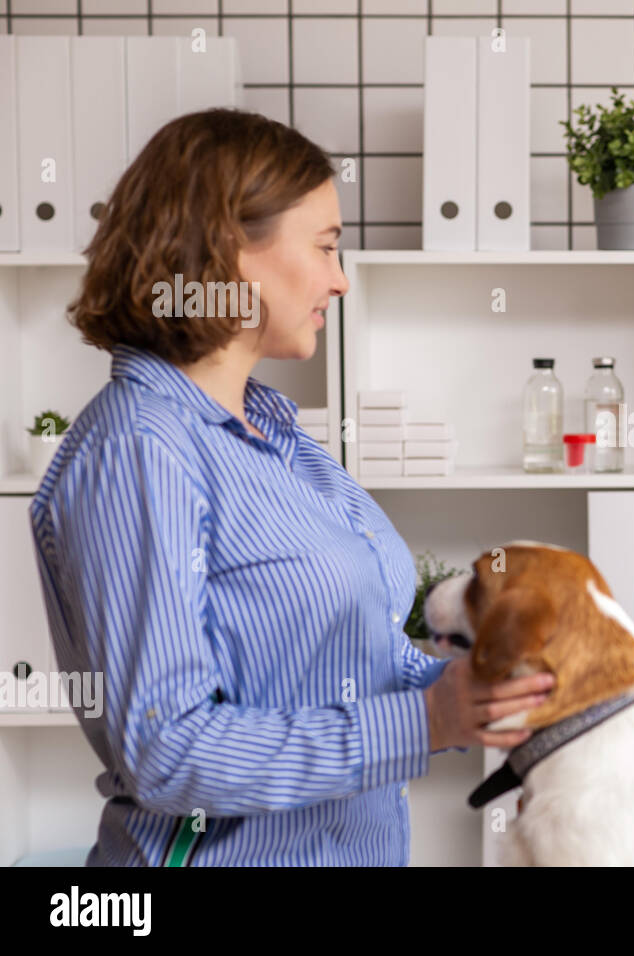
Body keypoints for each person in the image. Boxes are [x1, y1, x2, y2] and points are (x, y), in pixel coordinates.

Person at [28, 108, 554, 866]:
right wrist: (428, 722)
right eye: (326, 247)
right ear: (229, 250)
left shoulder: (277, 434)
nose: (341, 280)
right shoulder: (140, 451)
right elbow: (168, 751)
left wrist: (485, 690)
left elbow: (354, 652)